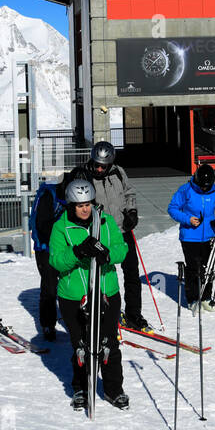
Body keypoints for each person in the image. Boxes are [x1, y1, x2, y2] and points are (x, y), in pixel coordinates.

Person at [49, 178, 129, 410]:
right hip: (74, 295)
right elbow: (56, 261)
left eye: (88, 204)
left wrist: (106, 254)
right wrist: (78, 251)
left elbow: (121, 248)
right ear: (71, 205)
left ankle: (114, 390)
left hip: (106, 291)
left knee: (108, 342)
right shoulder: (61, 227)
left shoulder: (105, 221)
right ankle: (81, 387)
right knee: (81, 344)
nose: (85, 209)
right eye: (79, 205)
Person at [70, 141, 148, 331]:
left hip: (122, 231)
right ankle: (102, 312)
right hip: (101, 232)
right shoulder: (85, 176)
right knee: (101, 275)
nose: (99, 169)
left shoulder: (118, 172)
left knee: (131, 273)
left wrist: (131, 212)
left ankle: (133, 314)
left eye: (103, 166)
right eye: (96, 164)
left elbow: (129, 193)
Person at [167, 163, 215, 313]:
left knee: (207, 267)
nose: (205, 189)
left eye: (207, 186)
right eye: (203, 186)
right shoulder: (186, 190)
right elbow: (172, 208)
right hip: (190, 237)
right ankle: (193, 299)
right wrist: (188, 219)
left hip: (208, 236)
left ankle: (206, 297)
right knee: (194, 268)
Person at [30, 174, 69, 340]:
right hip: (46, 248)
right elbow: (43, 226)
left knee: (70, 283)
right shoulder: (48, 195)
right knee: (50, 286)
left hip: (65, 247)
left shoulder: (67, 196)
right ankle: (48, 324)